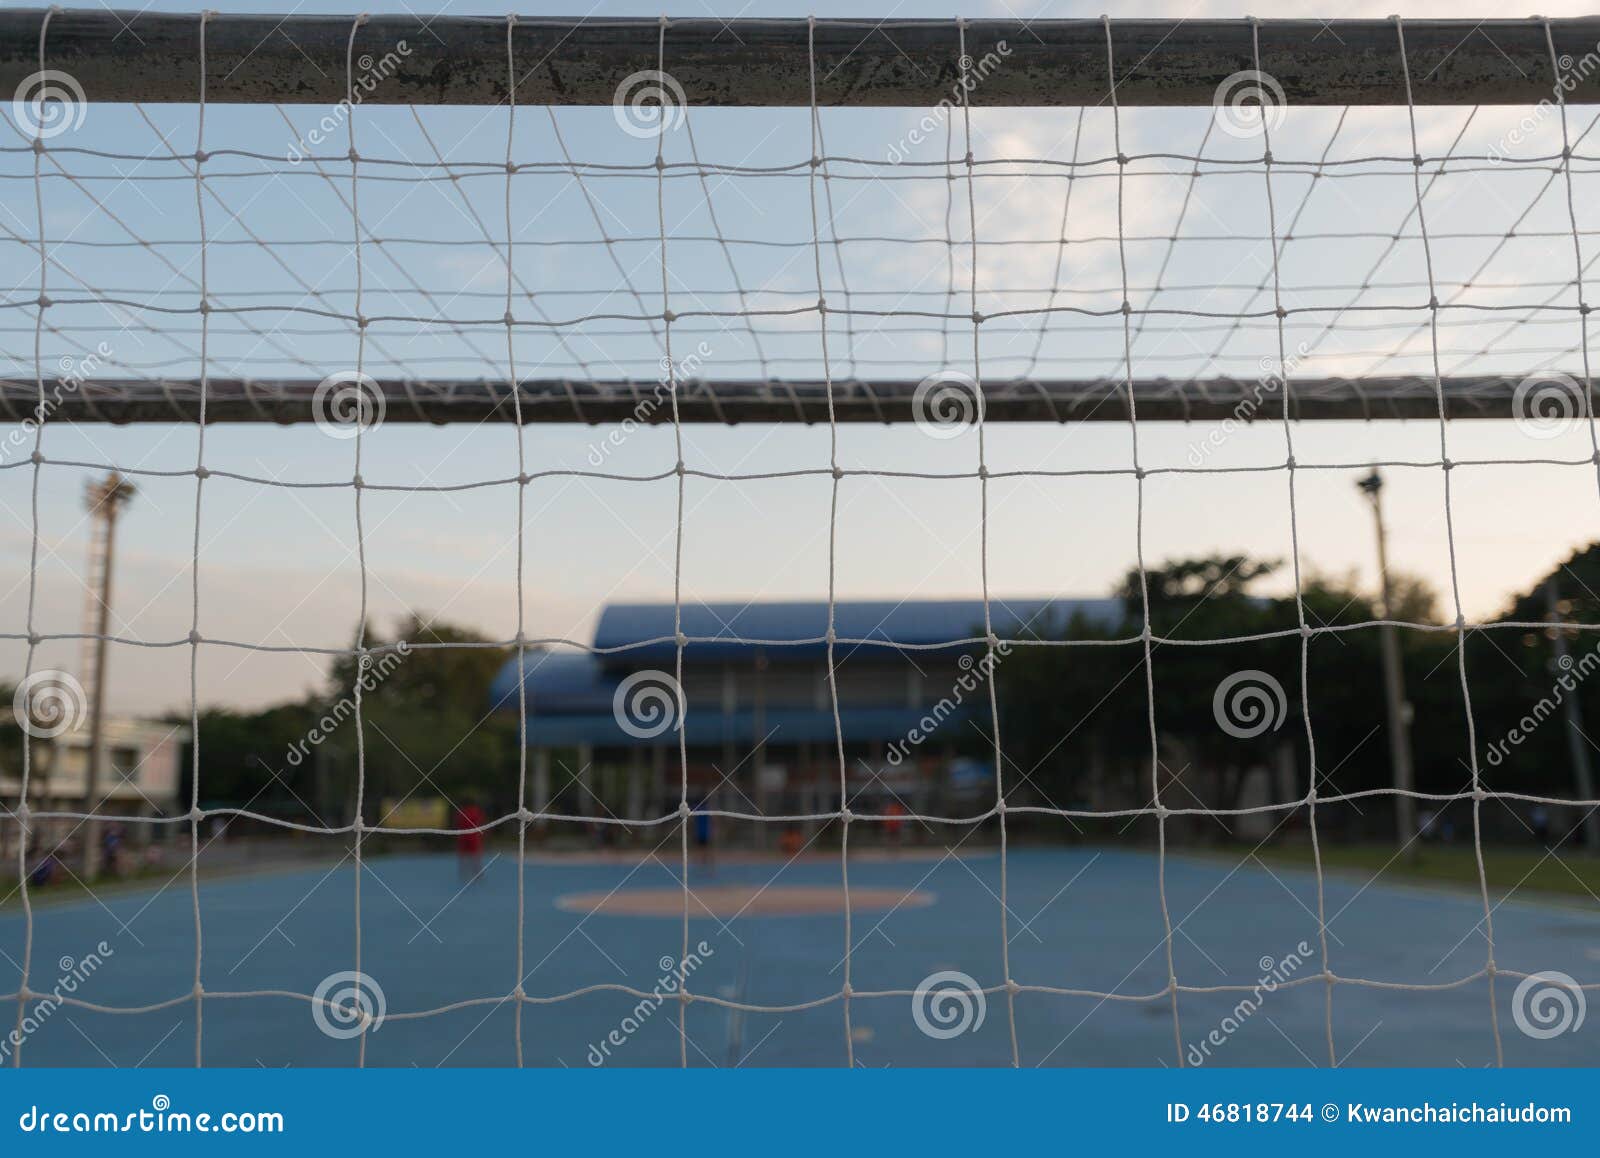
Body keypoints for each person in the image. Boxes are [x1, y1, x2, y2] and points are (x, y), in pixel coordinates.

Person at [455, 799, 487, 883]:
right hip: (473, 837)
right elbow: (481, 822)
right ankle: (477, 871)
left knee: (465, 855)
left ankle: (465, 871)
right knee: (475, 855)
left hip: (465, 836)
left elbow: (458, 822)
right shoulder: (476, 811)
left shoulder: (462, 812)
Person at [692, 798, 715, 873]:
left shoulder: (697, 810)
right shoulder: (706, 810)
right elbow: (713, 821)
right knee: (706, 851)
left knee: (701, 851)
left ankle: (702, 867)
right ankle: (709, 869)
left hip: (701, 833)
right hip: (704, 833)